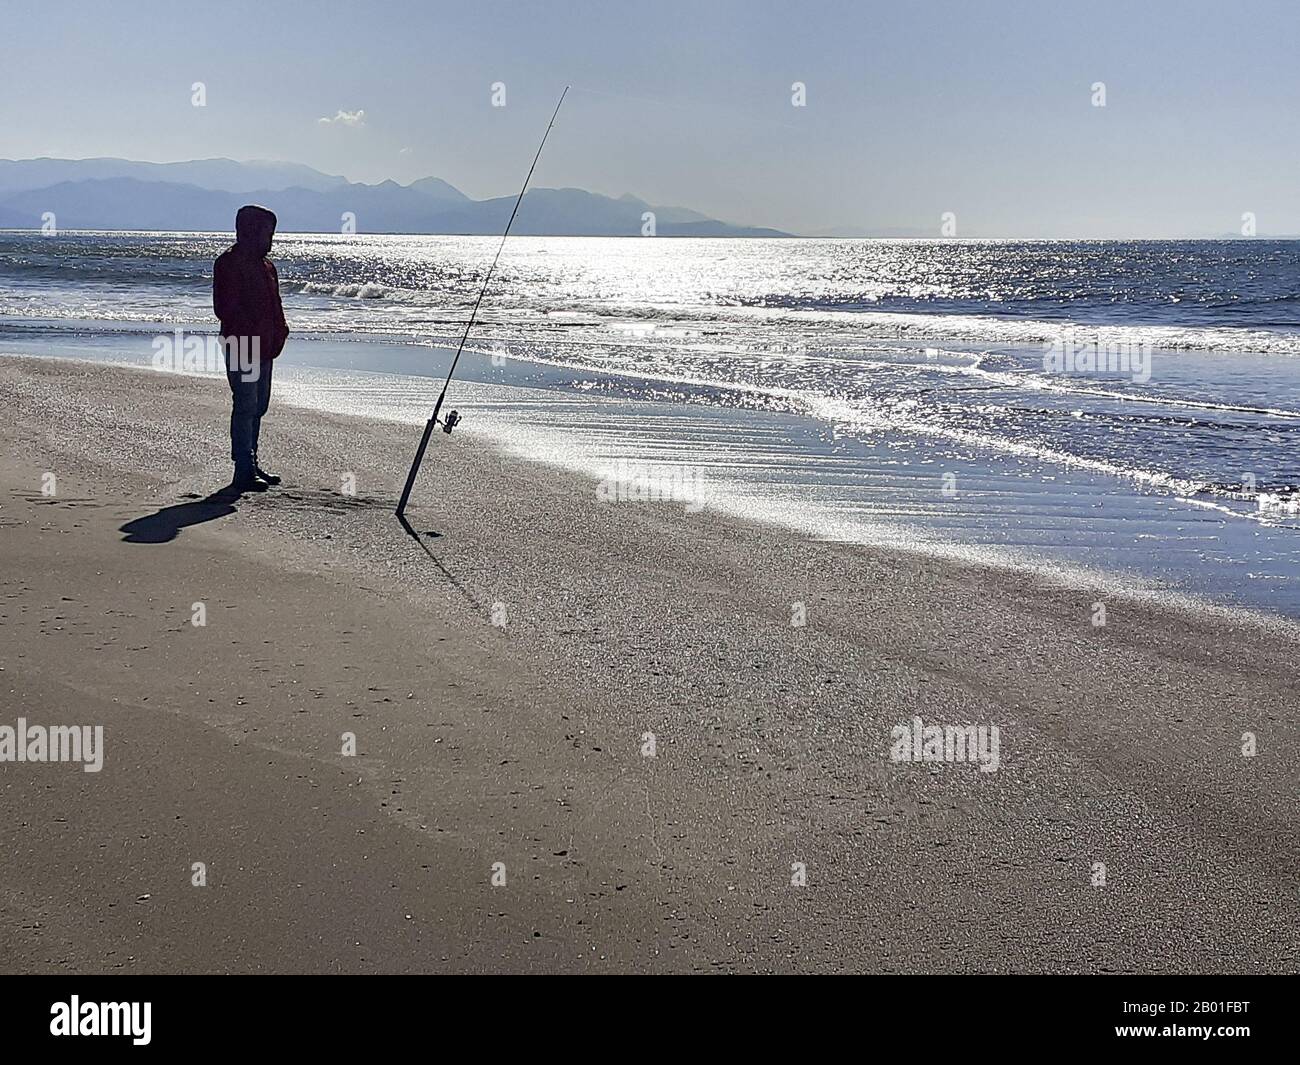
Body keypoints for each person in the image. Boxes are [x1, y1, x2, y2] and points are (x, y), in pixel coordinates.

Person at [213, 204, 290, 492]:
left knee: (259, 406)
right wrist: (251, 330)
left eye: (271, 233)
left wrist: (280, 330)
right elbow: (224, 308)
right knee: (245, 405)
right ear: (249, 231)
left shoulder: (268, 266)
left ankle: (252, 462)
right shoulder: (229, 263)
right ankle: (242, 468)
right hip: (242, 344)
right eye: (266, 233)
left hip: (266, 346)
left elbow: (275, 304)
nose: (270, 239)